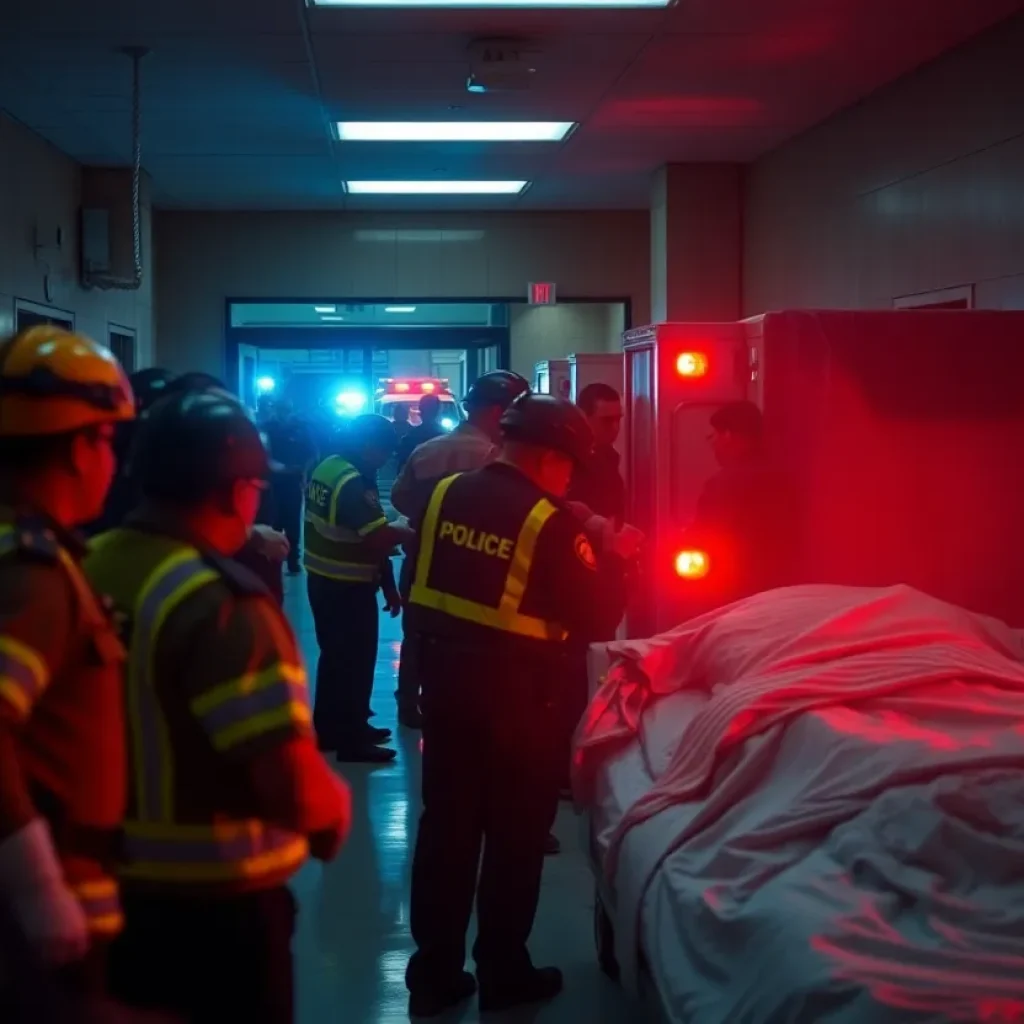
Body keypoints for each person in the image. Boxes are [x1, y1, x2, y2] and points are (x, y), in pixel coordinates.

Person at [83, 386, 351, 1024]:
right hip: (213, 912)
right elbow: (289, 785)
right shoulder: (222, 606)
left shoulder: (84, 568)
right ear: (238, 492)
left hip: (100, 894)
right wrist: (333, 809)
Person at [404, 394, 627, 1018]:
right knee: (514, 837)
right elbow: (594, 618)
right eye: (568, 466)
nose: (568, 479)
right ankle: (503, 972)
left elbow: (417, 584)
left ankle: (433, 977)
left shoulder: (445, 494)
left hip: (445, 685)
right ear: (552, 458)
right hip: (520, 701)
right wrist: (612, 558)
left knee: (445, 831)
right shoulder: (549, 521)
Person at [0, 327, 134, 998]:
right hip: (45, 911)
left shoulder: (40, 555)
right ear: (84, 447)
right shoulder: (34, 578)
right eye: (110, 442)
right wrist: (38, 886)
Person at [389, 371, 531, 730]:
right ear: (497, 411)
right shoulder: (496, 458)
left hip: (422, 559)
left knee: (417, 633)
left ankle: (409, 704)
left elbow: (400, 498)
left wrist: (427, 521)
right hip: (478, 565)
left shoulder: (426, 451)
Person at [305, 413, 414, 763]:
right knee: (354, 662)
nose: (386, 459)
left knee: (335, 660)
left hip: (325, 580)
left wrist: (386, 585)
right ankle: (353, 740)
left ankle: (331, 728)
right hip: (346, 586)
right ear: (369, 446)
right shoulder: (351, 482)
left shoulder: (328, 467)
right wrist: (405, 529)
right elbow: (378, 537)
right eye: (384, 450)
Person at [688, 400, 797, 604]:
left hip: (734, 588)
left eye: (714, 436)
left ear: (728, 435)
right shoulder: (787, 478)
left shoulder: (723, 484)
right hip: (782, 588)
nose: (713, 445)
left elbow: (705, 536)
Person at [265, 399, 317, 575]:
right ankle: (273, 559)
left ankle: (293, 560)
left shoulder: (300, 429)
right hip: (272, 482)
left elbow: (311, 453)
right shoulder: (267, 428)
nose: (282, 414)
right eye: (280, 410)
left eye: (285, 411)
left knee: (293, 524)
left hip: (293, 481)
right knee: (274, 522)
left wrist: (304, 473)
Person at [567, 382, 626, 526]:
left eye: (618, 419)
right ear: (584, 417)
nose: (615, 428)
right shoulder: (566, 460)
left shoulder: (609, 457)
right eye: (606, 420)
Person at [396, 393, 445, 469]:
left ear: (420, 410)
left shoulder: (410, 438)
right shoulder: (446, 437)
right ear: (438, 411)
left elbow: (402, 469)